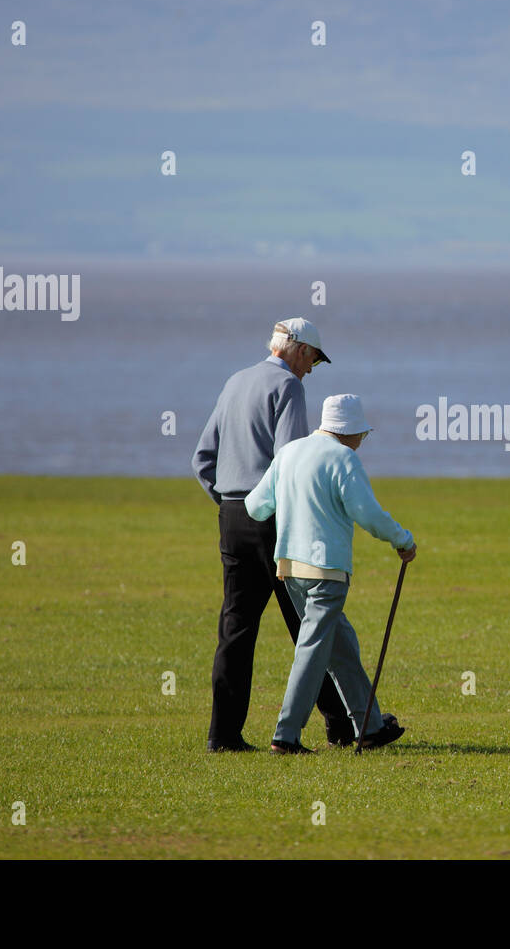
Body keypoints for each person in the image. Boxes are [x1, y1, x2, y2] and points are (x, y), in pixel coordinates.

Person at [191, 318, 352, 752]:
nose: (311, 369)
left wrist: (232, 502)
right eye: (313, 359)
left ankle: (223, 735)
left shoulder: (235, 381)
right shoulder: (288, 387)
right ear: (298, 350)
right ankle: (343, 725)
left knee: (236, 627)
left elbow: (202, 459)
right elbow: (289, 462)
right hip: (274, 519)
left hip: (231, 516)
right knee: (309, 621)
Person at [245, 394, 416, 754]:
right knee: (312, 652)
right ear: (348, 432)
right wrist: (402, 539)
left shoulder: (289, 452)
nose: (361, 442)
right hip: (327, 573)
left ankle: (369, 726)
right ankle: (285, 736)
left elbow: (255, 506)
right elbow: (368, 513)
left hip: (289, 570)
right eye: (361, 435)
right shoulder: (343, 458)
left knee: (341, 646)